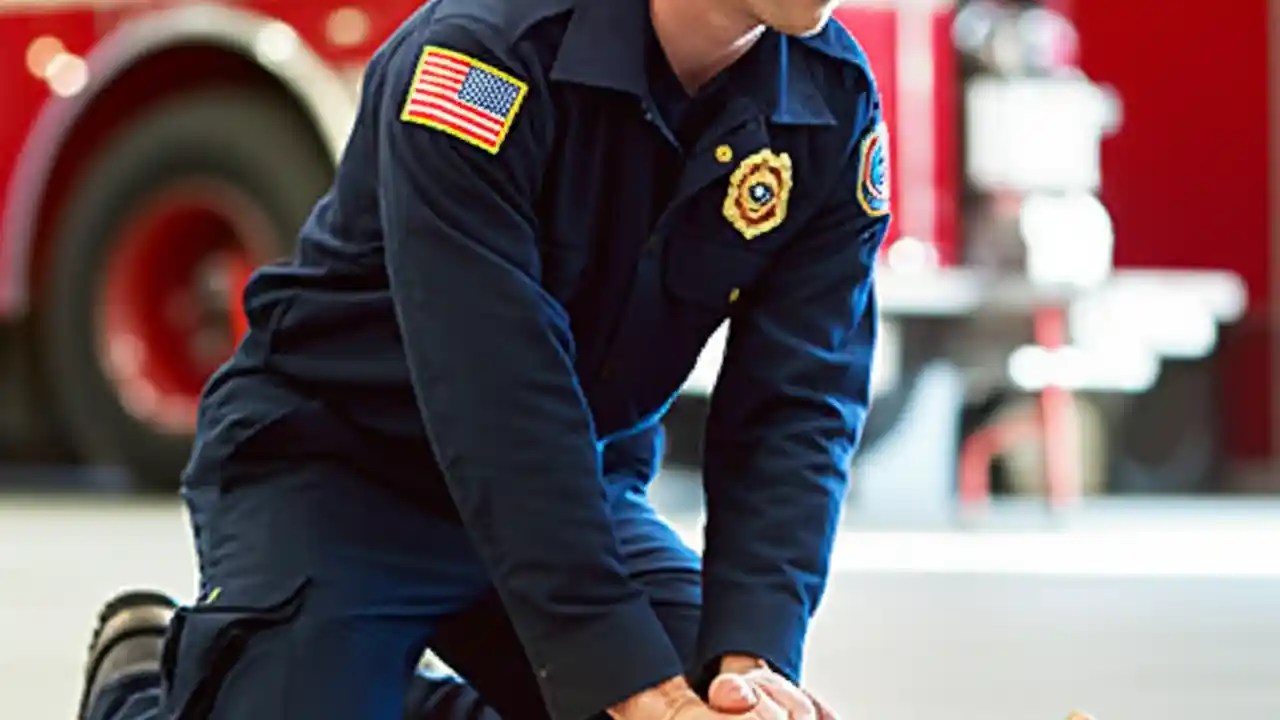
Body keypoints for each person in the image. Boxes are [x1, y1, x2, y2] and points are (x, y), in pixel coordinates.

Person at [76, 0, 891, 716]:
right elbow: (496, 393)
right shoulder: (482, 58)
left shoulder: (832, 102)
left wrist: (747, 671)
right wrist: (637, 692)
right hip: (338, 474)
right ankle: (141, 689)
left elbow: (798, 405)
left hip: (575, 489)